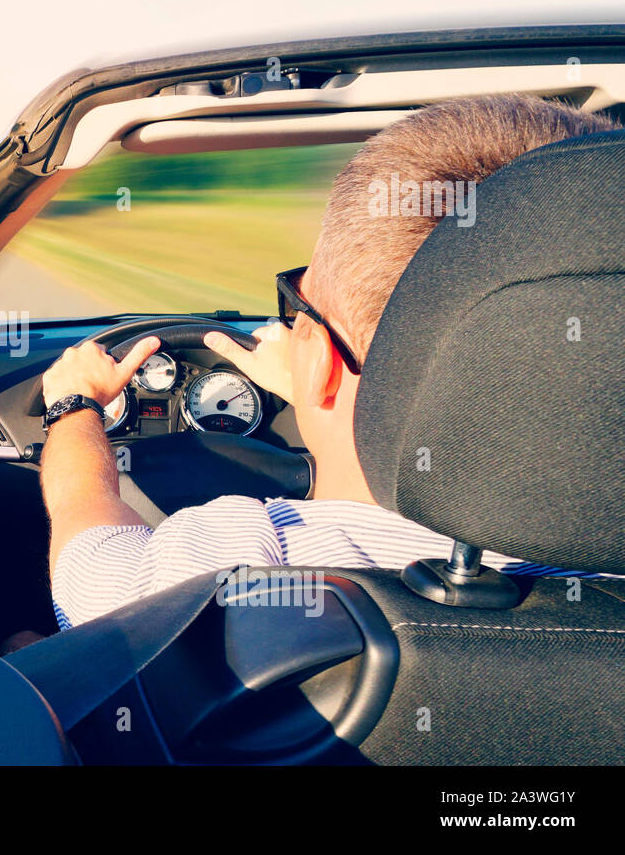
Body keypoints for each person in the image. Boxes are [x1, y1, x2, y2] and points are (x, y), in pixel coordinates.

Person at [39, 95, 619, 630]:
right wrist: (324, 378)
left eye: (299, 310)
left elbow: (85, 544)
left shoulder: (238, 558)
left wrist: (75, 407)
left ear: (318, 357)